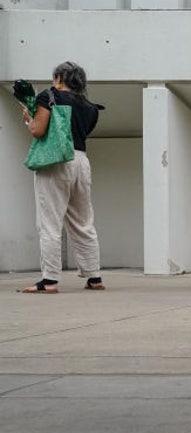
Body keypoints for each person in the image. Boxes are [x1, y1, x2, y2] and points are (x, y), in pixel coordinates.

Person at [17, 62, 103, 294]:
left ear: (58, 78)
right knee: (83, 221)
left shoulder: (50, 96)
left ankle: (49, 280)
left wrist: (29, 118)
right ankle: (94, 276)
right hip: (81, 162)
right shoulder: (91, 107)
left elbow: (38, 130)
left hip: (56, 162)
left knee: (49, 223)